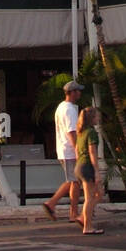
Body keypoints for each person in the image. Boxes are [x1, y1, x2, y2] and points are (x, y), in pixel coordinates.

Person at [42, 80, 83, 222]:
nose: (80, 93)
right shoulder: (69, 109)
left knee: (73, 181)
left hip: (63, 149)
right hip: (69, 150)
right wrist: (78, 150)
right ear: (71, 93)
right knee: (74, 181)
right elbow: (72, 132)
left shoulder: (61, 107)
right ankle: (54, 204)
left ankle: (70, 211)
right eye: (77, 91)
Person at [74, 106, 103, 234]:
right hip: (87, 166)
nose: (98, 118)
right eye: (97, 116)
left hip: (80, 165)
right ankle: (87, 226)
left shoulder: (81, 132)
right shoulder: (91, 132)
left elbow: (76, 150)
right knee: (90, 198)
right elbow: (92, 152)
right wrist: (96, 171)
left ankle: (83, 218)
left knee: (99, 193)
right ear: (92, 118)